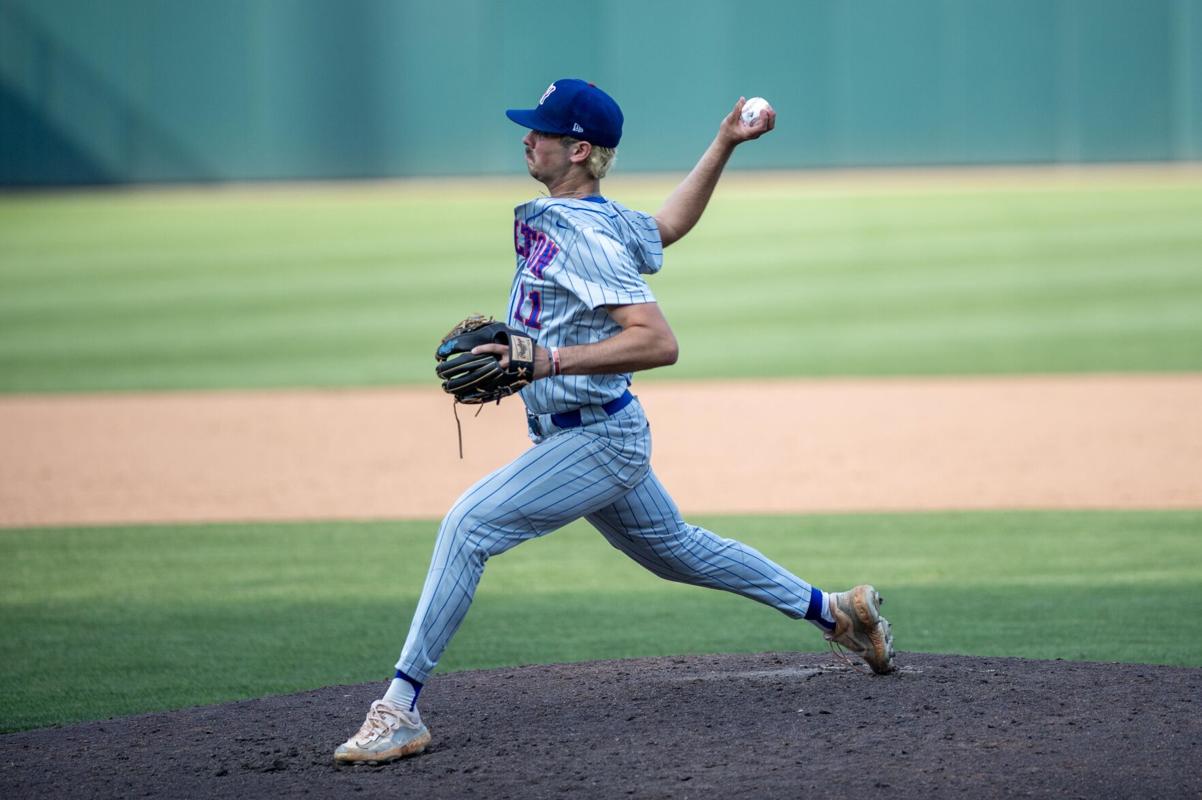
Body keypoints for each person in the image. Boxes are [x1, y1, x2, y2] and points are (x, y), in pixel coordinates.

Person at [334, 78, 895, 764]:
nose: (526, 137)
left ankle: (399, 709)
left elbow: (659, 340)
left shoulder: (584, 237)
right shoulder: (596, 219)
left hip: (594, 438)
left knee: (468, 526)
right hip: (601, 432)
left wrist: (545, 361)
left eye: (539, 130)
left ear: (577, 150)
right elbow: (665, 229)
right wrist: (723, 143)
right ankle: (839, 613)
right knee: (679, 550)